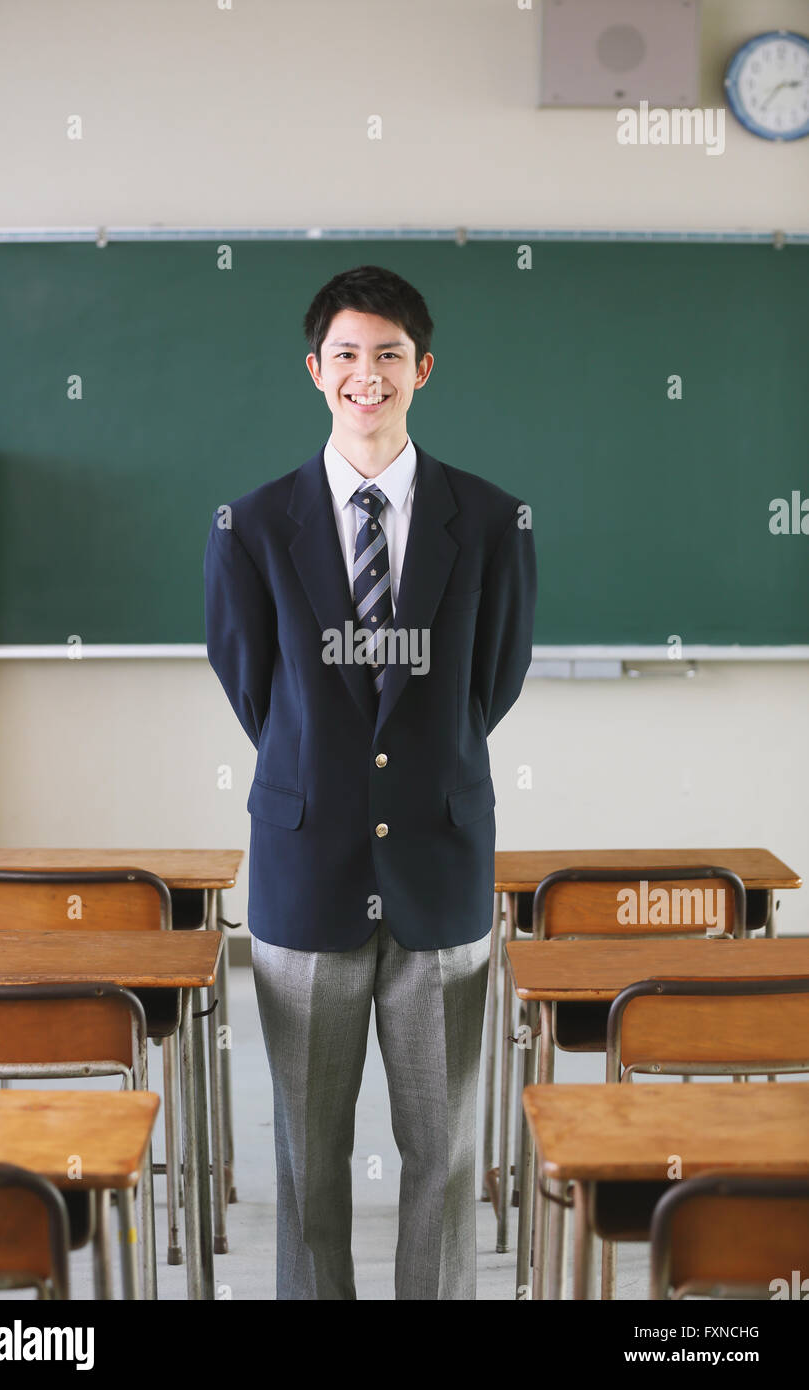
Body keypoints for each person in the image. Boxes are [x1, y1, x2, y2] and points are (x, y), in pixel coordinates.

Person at [204, 263, 536, 1299]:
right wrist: (333, 773)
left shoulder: (487, 520)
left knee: (438, 1157)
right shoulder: (252, 527)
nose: (366, 373)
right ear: (315, 370)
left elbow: (492, 679)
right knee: (310, 1159)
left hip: (438, 869)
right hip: (307, 873)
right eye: (345, 353)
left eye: (388, 354)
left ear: (420, 370)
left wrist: (408, 773)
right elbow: (253, 687)